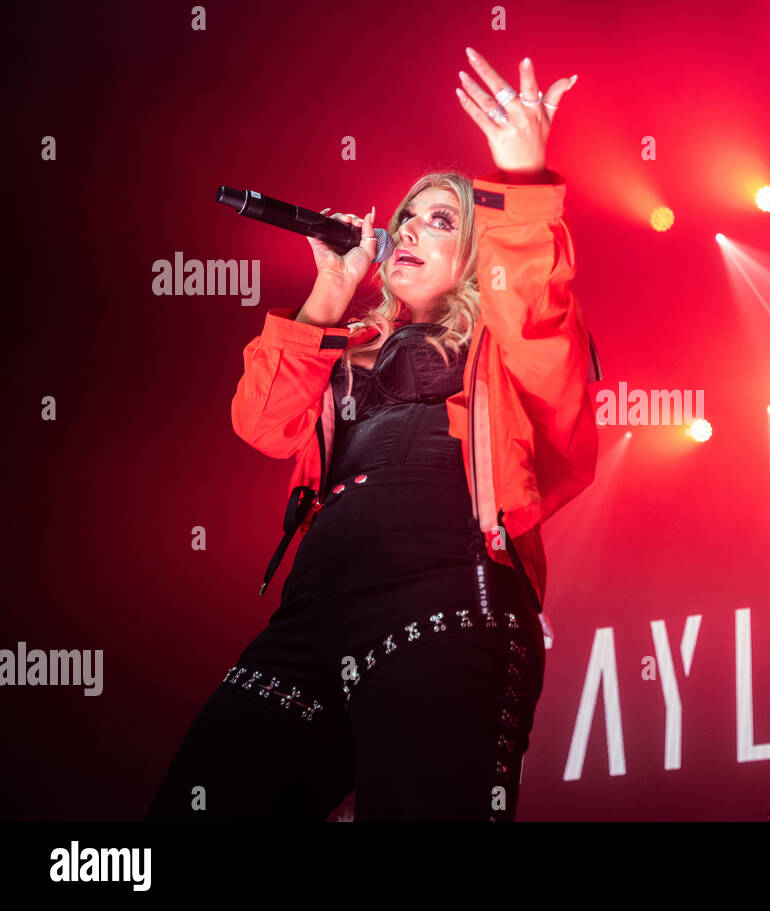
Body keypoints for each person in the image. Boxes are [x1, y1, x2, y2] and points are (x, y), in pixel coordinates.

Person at [145, 49, 598, 821]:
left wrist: (522, 175)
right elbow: (262, 423)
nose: (410, 228)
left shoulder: (506, 347)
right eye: (407, 217)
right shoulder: (345, 348)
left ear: (477, 255)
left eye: (441, 219)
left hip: (449, 601)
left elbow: (532, 306)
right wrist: (330, 287)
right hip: (312, 616)